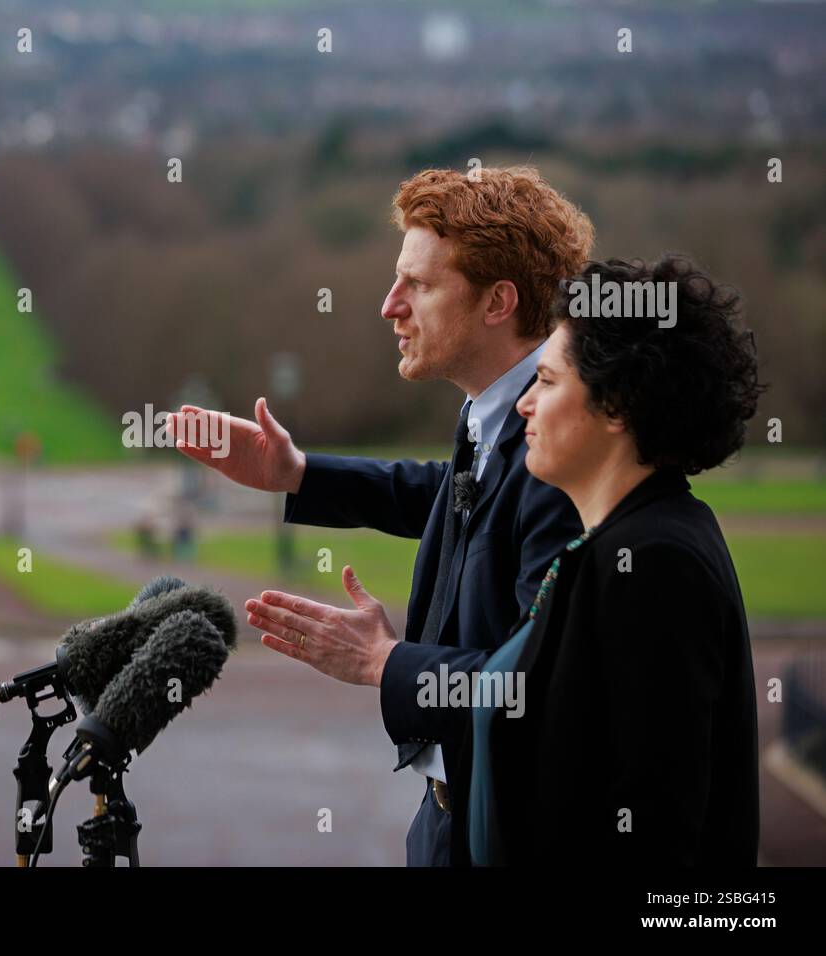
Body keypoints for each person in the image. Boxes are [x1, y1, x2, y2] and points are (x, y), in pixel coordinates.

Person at [168, 166, 591, 865]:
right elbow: (453, 497)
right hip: (448, 818)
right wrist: (296, 474)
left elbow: (536, 693)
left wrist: (385, 662)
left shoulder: (563, 448)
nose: (389, 306)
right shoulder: (496, 411)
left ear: (498, 302)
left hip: (508, 836)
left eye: (419, 285)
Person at [455, 255, 763, 865]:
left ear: (617, 405)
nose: (523, 406)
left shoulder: (654, 561)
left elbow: (655, 832)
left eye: (545, 381)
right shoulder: (621, 543)